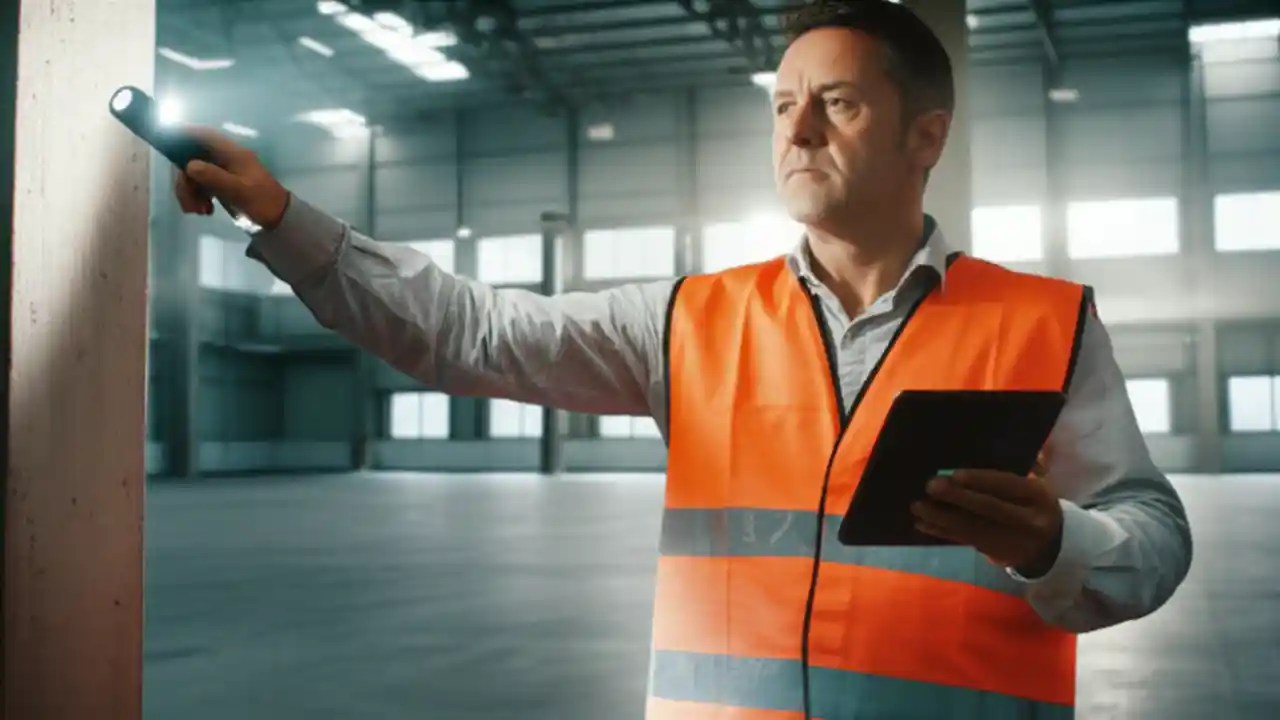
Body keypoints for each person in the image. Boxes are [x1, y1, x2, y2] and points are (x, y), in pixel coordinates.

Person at [174, 1, 1192, 717]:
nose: (795, 130)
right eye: (781, 102)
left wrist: (1057, 540)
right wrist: (280, 216)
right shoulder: (687, 321)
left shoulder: (1041, 321)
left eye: (835, 103)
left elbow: (1152, 538)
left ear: (923, 136)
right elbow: (463, 331)